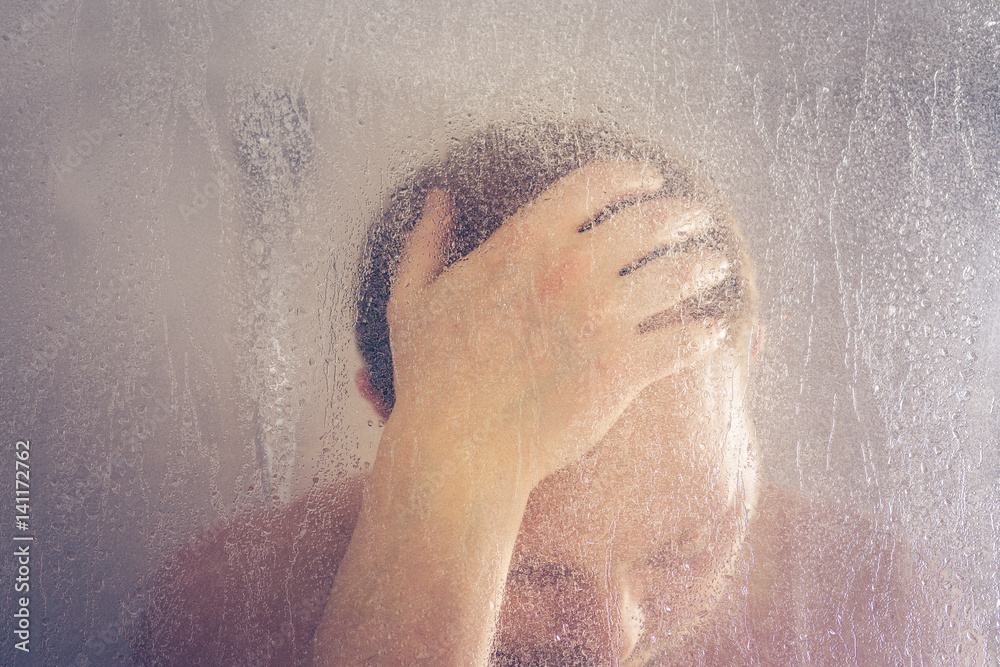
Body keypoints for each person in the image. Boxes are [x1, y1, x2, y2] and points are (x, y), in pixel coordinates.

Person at [131, 122, 964, 666]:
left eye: (684, 550)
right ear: (390, 420)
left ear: (749, 365)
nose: (612, 640)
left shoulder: (876, 609)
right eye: (530, 570)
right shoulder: (227, 614)